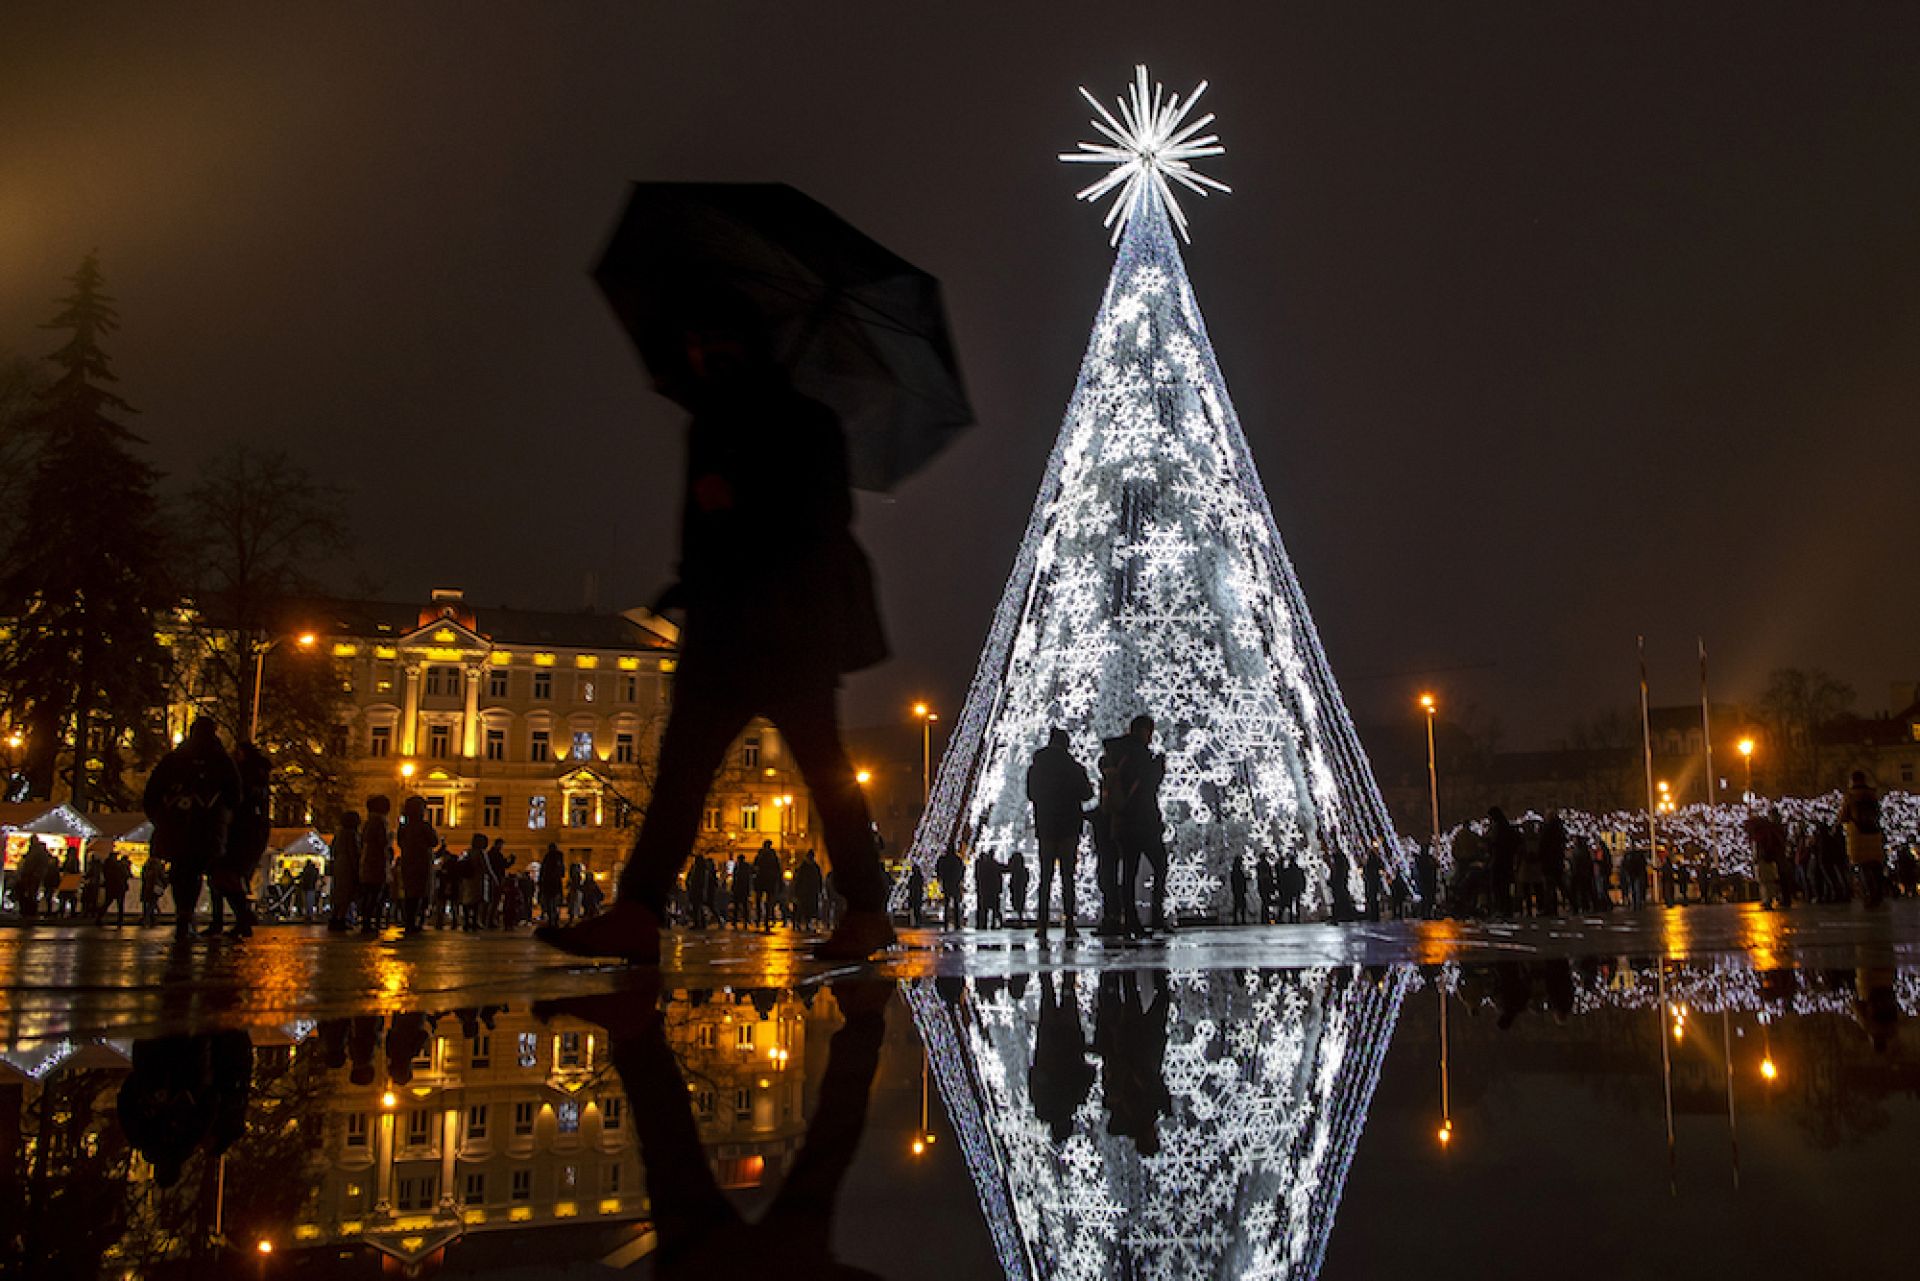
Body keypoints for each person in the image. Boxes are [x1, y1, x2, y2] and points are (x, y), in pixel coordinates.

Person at [536, 295, 895, 964]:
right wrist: (688, 579)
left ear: (741, 347)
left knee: (824, 772)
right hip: (723, 626)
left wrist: (743, 505)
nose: (698, 355)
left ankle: (868, 909)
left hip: (790, 628)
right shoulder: (709, 424)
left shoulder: (808, 425)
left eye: (710, 342)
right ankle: (639, 910)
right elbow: (700, 531)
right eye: (694, 344)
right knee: (683, 774)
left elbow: (825, 523)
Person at [142, 717, 242, 941]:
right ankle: (196, 916)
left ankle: (184, 915)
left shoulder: (175, 760)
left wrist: (161, 819)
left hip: (176, 826)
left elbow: (152, 793)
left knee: (181, 870)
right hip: (207, 827)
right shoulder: (221, 761)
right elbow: (235, 795)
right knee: (200, 870)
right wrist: (224, 817)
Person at [1101, 714, 1169, 936]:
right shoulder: (1139, 754)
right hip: (1143, 821)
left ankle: (1131, 919)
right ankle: (1156, 916)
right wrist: (1158, 767)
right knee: (1160, 865)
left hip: (1122, 821)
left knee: (1129, 872)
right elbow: (1147, 786)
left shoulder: (1115, 754)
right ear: (1142, 731)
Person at [1026, 727, 1093, 939]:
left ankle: (1042, 924)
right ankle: (1069, 923)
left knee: (1045, 878)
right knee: (1067, 877)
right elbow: (1087, 793)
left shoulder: (1037, 767)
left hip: (1045, 826)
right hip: (1068, 828)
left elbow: (1031, 793)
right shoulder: (1073, 767)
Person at [1840, 770, 1887, 908]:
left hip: (1858, 834)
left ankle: (1870, 895)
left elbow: (1843, 816)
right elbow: (1878, 812)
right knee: (1875, 866)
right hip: (1874, 833)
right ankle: (1878, 894)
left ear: (1853, 781)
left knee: (1863, 866)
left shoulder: (1850, 796)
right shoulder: (1872, 794)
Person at [396, 797, 438, 936]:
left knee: (410, 894)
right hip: (421, 863)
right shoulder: (423, 826)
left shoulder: (404, 828)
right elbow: (434, 841)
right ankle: (415, 921)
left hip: (408, 862)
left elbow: (400, 843)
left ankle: (409, 921)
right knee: (421, 892)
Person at [357, 796, 394, 935]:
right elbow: (383, 841)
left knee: (369, 893)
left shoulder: (368, 822)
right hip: (377, 862)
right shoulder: (380, 821)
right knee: (375, 893)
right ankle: (370, 922)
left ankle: (367, 921)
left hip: (368, 861)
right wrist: (390, 838)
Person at [328, 812, 361, 932]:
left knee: (339, 893)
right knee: (346, 894)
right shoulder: (351, 835)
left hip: (339, 864)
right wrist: (356, 866)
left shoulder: (339, 834)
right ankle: (340, 918)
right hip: (347, 866)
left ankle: (335, 917)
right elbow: (353, 851)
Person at [752, 840, 783, 931]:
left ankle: (759, 919)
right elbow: (778, 870)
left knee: (760, 900)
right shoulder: (773, 856)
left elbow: (755, 868)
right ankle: (767, 919)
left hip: (761, 880)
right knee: (769, 902)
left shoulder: (760, 856)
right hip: (769, 881)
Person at [935, 847, 965, 929]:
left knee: (947, 904)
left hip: (947, 883)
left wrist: (941, 878)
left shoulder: (943, 860)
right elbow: (962, 870)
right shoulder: (957, 859)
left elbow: (938, 869)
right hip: (955, 884)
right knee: (956, 904)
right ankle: (957, 923)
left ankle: (946, 922)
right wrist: (960, 880)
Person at [793, 849, 824, 929]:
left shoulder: (811, 867)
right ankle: (801, 922)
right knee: (803, 908)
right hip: (805, 891)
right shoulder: (808, 867)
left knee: (809, 908)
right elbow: (798, 880)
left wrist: (819, 889)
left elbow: (819, 879)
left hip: (811, 891)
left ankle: (806, 922)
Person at [537, 843, 566, 928]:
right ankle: (554, 920)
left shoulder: (548, 857)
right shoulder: (558, 856)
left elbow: (543, 870)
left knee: (550, 903)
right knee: (554, 904)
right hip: (554, 884)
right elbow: (561, 871)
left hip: (549, 884)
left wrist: (541, 881)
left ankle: (552, 920)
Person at [973, 853, 1004, 929]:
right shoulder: (994, 865)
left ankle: (983, 924)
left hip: (984, 890)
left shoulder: (982, 866)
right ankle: (993, 923)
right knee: (994, 908)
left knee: (984, 908)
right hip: (993, 889)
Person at [101, 851, 131, 926]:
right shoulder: (116, 865)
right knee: (119, 904)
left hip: (111, 886)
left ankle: (100, 917)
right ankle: (120, 920)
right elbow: (123, 875)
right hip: (118, 886)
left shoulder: (108, 864)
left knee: (108, 902)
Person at [1006, 851, 1030, 928]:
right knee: (1019, 903)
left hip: (1017, 889)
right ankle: (1020, 919)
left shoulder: (1017, 871)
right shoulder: (1023, 870)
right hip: (1019, 889)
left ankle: (1020, 919)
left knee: (1017, 903)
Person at [904, 864, 926, 928]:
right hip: (918, 895)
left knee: (914, 909)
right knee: (917, 909)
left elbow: (909, 886)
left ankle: (915, 922)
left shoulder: (912, 877)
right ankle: (917, 922)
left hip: (913, 895)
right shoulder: (920, 877)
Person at [1229, 858, 1250, 925]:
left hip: (1238, 890)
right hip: (1239, 890)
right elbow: (1238, 881)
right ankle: (1240, 919)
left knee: (1238, 905)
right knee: (1240, 904)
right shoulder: (1237, 871)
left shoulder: (1235, 871)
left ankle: (1237, 919)